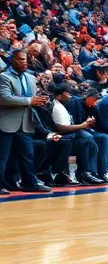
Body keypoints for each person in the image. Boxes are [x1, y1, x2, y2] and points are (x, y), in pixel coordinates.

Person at [0, 48, 51, 193]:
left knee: (27, 155)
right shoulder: (4, 77)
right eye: (21, 59)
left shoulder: (31, 78)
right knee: (2, 157)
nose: (25, 62)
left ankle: (29, 183)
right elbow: (4, 98)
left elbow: (31, 99)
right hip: (6, 122)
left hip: (26, 123)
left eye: (26, 60)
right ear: (12, 60)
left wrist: (40, 101)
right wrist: (30, 100)